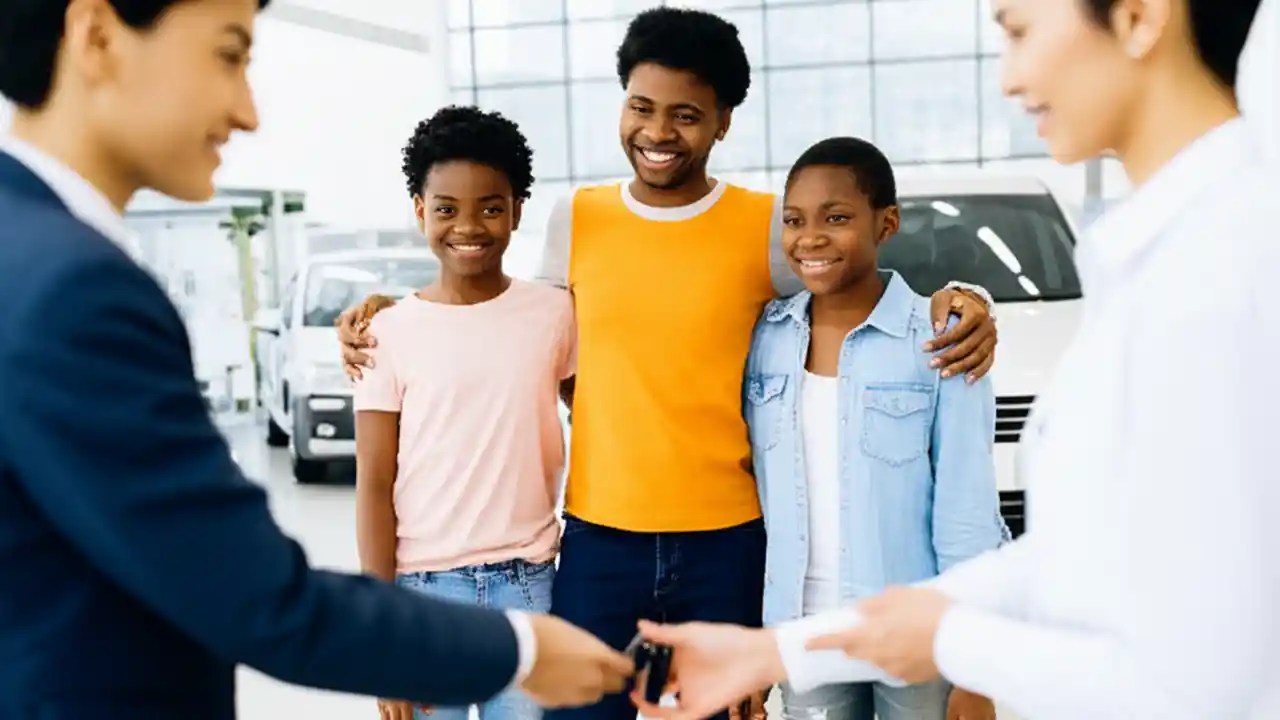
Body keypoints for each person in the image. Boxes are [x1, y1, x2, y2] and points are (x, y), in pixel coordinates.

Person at [339, 9, 1000, 720]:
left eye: (685, 115)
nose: (656, 133)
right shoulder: (578, 217)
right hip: (599, 540)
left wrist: (968, 298)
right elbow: (508, 320)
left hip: (728, 545)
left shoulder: (767, 225)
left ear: (722, 122)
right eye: (640, 106)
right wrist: (389, 307)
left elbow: (847, 280)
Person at [630, 1, 1280, 719]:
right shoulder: (1159, 254)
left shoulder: (1229, 265)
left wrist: (965, 651)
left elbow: (1208, 669)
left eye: (1020, 30)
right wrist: (772, 651)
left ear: (1138, 16)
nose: (1007, 77)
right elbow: (1075, 559)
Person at [0, 2, 631, 718]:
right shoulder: (73, 285)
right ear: (97, 35)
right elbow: (258, 595)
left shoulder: (26, 251)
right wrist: (521, 652)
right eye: (228, 55)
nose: (248, 112)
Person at [741, 136, 1007, 720]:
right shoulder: (765, 338)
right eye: (794, 221)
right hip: (806, 630)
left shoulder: (940, 339)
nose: (809, 238)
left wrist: (975, 667)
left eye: (836, 218)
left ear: (886, 224)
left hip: (914, 631)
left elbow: (967, 516)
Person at [354, 105, 576, 720]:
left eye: (490, 206)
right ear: (420, 210)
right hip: (425, 601)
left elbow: (598, 414)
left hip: (528, 590)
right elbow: (374, 484)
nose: (469, 225)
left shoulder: (554, 315)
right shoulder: (386, 332)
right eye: (446, 208)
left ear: (517, 210)